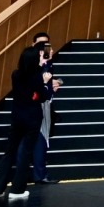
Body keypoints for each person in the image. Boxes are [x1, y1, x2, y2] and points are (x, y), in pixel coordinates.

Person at [0, 45, 51, 202]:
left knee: (9, 151)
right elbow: (43, 96)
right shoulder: (38, 77)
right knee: (25, 153)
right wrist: (45, 83)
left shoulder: (15, 75)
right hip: (32, 118)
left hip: (17, 117)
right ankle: (17, 189)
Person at [31, 34, 63, 184]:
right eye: (41, 45)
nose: (44, 48)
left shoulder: (47, 64)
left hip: (39, 105)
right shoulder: (36, 64)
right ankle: (40, 173)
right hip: (36, 105)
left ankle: (39, 172)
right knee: (40, 140)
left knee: (39, 140)